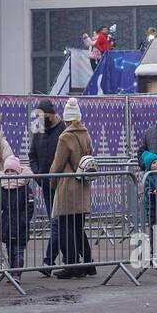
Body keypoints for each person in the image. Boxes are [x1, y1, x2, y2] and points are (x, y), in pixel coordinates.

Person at [48, 97, 95, 279]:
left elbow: (57, 164)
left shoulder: (65, 136)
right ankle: (89, 263)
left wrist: (51, 181)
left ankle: (71, 264)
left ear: (67, 119)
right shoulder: (86, 134)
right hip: (82, 186)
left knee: (66, 226)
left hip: (68, 187)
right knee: (77, 227)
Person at [29, 98, 66, 272]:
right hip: (46, 184)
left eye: (44, 115)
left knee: (58, 222)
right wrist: (38, 175)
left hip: (62, 183)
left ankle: (49, 260)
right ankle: (82, 259)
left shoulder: (63, 130)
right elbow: (32, 155)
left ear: (51, 114)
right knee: (60, 222)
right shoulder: (39, 131)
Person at [0, 156, 35, 270]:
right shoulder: (3, 189)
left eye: (12, 171)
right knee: (10, 253)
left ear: (18, 172)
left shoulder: (25, 189)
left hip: (20, 227)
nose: (9, 173)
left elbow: (29, 208)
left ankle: (17, 274)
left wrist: (22, 221)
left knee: (18, 251)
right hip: (7, 226)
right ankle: (13, 271)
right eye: (7, 171)